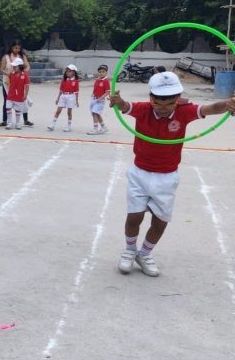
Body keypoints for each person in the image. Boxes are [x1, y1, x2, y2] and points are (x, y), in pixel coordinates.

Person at [110, 72, 234, 277]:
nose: (164, 108)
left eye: (169, 103)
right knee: (134, 216)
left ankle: (144, 253)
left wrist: (228, 104)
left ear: (178, 99)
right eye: (158, 103)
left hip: (167, 176)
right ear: (151, 98)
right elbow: (125, 106)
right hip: (140, 172)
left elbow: (210, 108)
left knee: (160, 221)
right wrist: (117, 100)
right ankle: (129, 250)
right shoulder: (143, 109)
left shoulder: (184, 111)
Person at [0, 40, 34, 127]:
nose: (17, 50)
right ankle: (5, 120)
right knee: (7, 100)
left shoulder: (22, 56)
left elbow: (27, 66)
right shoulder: (6, 57)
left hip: (19, 81)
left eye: (19, 48)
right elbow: (1, 69)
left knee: (22, 99)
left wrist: (24, 72)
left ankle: (25, 120)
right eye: (15, 48)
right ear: (12, 47)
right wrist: (10, 74)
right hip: (7, 81)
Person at [47, 64, 80, 132]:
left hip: (71, 97)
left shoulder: (76, 81)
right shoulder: (64, 79)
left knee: (69, 112)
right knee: (58, 111)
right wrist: (58, 98)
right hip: (63, 96)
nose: (67, 72)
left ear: (74, 72)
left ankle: (69, 126)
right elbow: (61, 89)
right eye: (67, 71)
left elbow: (76, 91)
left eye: (69, 71)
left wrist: (76, 101)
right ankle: (52, 124)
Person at [5, 58, 30, 130]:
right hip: (10, 95)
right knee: (8, 108)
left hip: (19, 96)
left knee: (18, 110)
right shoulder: (11, 74)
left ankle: (18, 123)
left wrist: (25, 95)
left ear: (20, 66)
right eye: (13, 66)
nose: (14, 68)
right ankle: (9, 123)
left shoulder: (25, 75)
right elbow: (7, 83)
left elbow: (27, 86)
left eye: (15, 66)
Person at [87, 64, 111, 135]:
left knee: (95, 113)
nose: (101, 73)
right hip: (94, 99)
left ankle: (95, 129)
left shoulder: (106, 81)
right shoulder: (97, 80)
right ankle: (104, 127)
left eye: (103, 72)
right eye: (100, 72)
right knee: (96, 114)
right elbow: (95, 89)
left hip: (100, 100)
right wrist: (92, 95)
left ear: (106, 72)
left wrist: (100, 98)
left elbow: (107, 92)